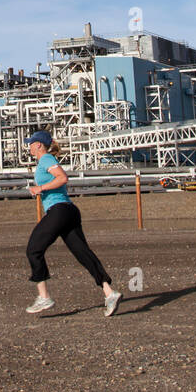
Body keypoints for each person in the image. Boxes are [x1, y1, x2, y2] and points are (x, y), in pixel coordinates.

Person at [24, 131, 121, 317]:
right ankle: (110, 293)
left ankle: (44, 296)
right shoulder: (45, 161)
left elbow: (62, 178)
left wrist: (40, 188)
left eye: (30, 143)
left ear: (38, 145)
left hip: (59, 211)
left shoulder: (45, 159)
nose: (28, 146)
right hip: (68, 211)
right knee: (83, 253)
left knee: (33, 250)